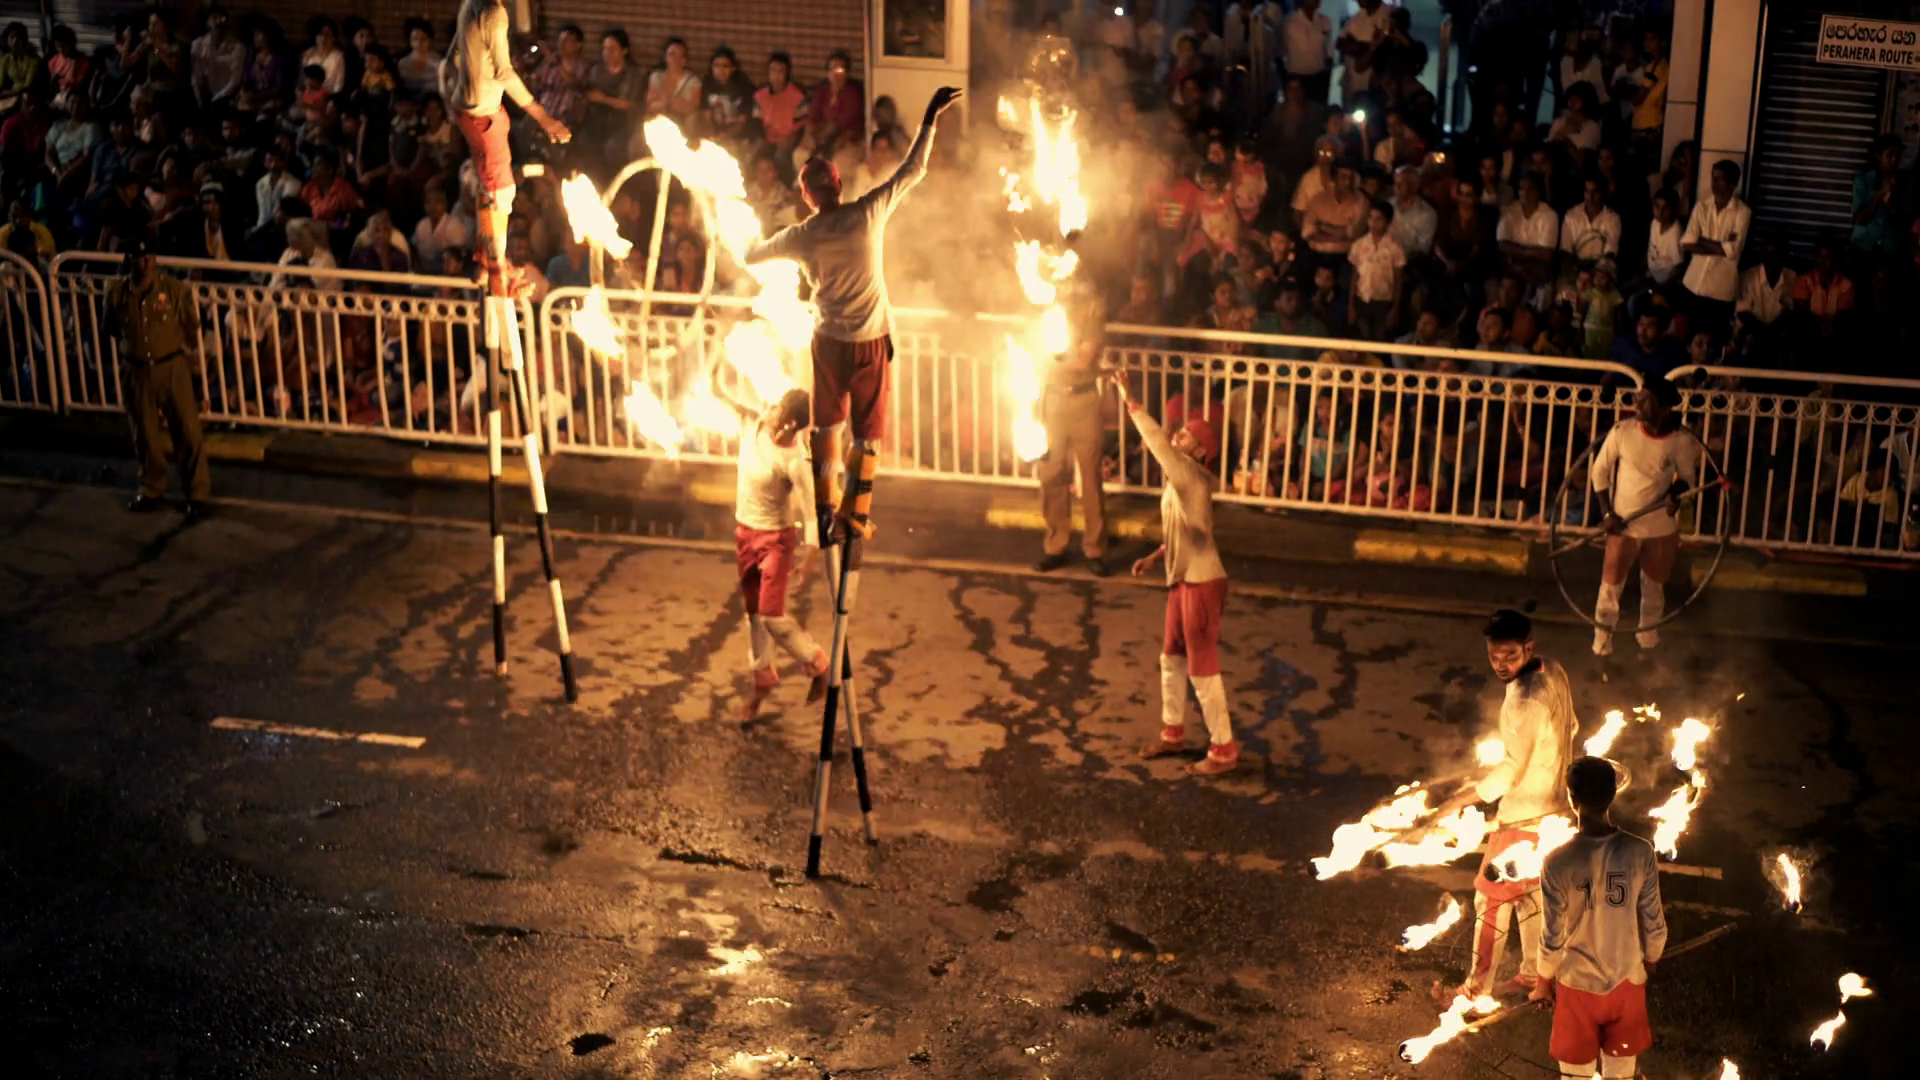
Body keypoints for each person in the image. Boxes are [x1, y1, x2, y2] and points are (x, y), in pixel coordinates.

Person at [743, 87, 962, 541]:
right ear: (839, 186)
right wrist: (929, 116)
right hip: (870, 343)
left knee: (826, 429)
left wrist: (744, 223)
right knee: (867, 436)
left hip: (829, 345)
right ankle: (855, 512)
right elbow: (914, 169)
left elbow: (752, 255)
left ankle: (825, 509)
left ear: (807, 197)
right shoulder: (868, 213)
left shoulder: (801, 234)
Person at [1430, 608, 1578, 1002]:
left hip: (1523, 817)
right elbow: (1572, 727)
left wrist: (1458, 801)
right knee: (1531, 896)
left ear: (1529, 647)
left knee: (1492, 901)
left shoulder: (1525, 701)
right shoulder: (1555, 672)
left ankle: (1475, 993)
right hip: (1556, 811)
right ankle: (1532, 976)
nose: (1500, 664)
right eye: (1493, 655)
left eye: (1509, 655)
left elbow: (1511, 772)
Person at [1113, 372, 1238, 777]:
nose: (1176, 437)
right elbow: (1185, 532)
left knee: (1202, 665)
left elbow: (1155, 442)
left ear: (1202, 452)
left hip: (1203, 582)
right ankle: (1173, 732)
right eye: (1179, 433)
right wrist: (1155, 557)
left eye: (1185, 436)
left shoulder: (1188, 473)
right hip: (1184, 577)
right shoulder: (1181, 481)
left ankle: (1224, 750)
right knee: (1170, 655)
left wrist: (1131, 400)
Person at [1531, 756, 1668, 1080]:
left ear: (1571, 798)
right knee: (1620, 1077)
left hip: (1578, 988)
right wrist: (1650, 959)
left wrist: (1542, 983)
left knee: (1576, 1078)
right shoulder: (1640, 851)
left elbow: (1552, 937)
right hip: (1627, 985)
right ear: (1612, 795)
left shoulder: (1556, 862)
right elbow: (1654, 924)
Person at [711, 375, 831, 720]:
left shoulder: (796, 461)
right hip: (746, 533)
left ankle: (816, 662)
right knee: (754, 617)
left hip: (776, 541)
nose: (772, 408)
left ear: (791, 422)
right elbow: (718, 389)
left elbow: (811, 515)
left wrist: (808, 562)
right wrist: (722, 334)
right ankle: (760, 686)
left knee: (772, 617)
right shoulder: (755, 424)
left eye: (779, 408)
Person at [440, 0, 570, 295]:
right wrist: (545, 118)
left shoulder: (470, 5)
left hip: (473, 112)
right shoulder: (493, 13)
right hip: (483, 116)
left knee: (490, 186)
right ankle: (497, 267)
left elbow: (451, 62)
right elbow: (504, 73)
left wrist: (453, 98)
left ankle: (486, 260)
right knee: (502, 192)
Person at [1589, 377, 1702, 664]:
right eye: (1638, 397)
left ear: (1664, 409)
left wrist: (1676, 492)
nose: (1637, 403)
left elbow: (1688, 479)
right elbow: (1599, 472)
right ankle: (1601, 648)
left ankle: (1647, 645)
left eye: (1646, 400)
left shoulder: (1679, 440)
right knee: (1610, 591)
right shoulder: (1623, 432)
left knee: (1653, 590)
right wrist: (1607, 514)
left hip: (1660, 529)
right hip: (1624, 526)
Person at [104, 237, 211, 517]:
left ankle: (197, 494)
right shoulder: (116, 293)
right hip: (136, 370)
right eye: (139, 257)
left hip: (171, 366)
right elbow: (113, 329)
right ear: (130, 260)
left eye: (150, 256)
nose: (146, 262)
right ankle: (151, 488)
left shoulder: (174, 291)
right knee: (146, 434)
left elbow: (192, 327)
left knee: (187, 431)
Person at [1036, 295, 1112, 576]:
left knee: (1090, 476)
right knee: (1052, 472)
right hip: (1053, 400)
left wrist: (1051, 357)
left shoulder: (1091, 313)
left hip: (1083, 401)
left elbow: (1084, 360)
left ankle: (1094, 548)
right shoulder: (1043, 306)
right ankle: (1056, 545)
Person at [1678, 160, 1748, 348]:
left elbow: (1732, 251)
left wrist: (1700, 239)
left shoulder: (1742, 212)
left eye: (1719, 180)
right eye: (1713, 178)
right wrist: (1720, 246)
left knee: (1714, 344)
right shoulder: (1702, 207)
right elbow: (1686, 243)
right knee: (1689, 342)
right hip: (1693, 284)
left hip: (1720, 290)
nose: (1714, 184)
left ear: (1732, 183)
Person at [1347, 200, 1405, 340]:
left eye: (1378, 219)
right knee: (1364, 338)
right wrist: (1351, 305)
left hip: (1383, 302)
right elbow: (1355, 277)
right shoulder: (1359, 245)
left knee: (1380, 339)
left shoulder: (1395, 248)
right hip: (1362, 299)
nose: (1373, 223)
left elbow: (1398, 281)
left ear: (1388, 222)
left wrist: (1395, 309)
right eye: (1371, 218)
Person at [1282, 0, 1334, 102]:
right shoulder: (1289, 23)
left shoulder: (1325, 21)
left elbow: (1329, 50)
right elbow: (1281, 51)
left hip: (1319, 77)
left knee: (1318, 112)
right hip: (1297, 77)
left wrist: (1326, 74)